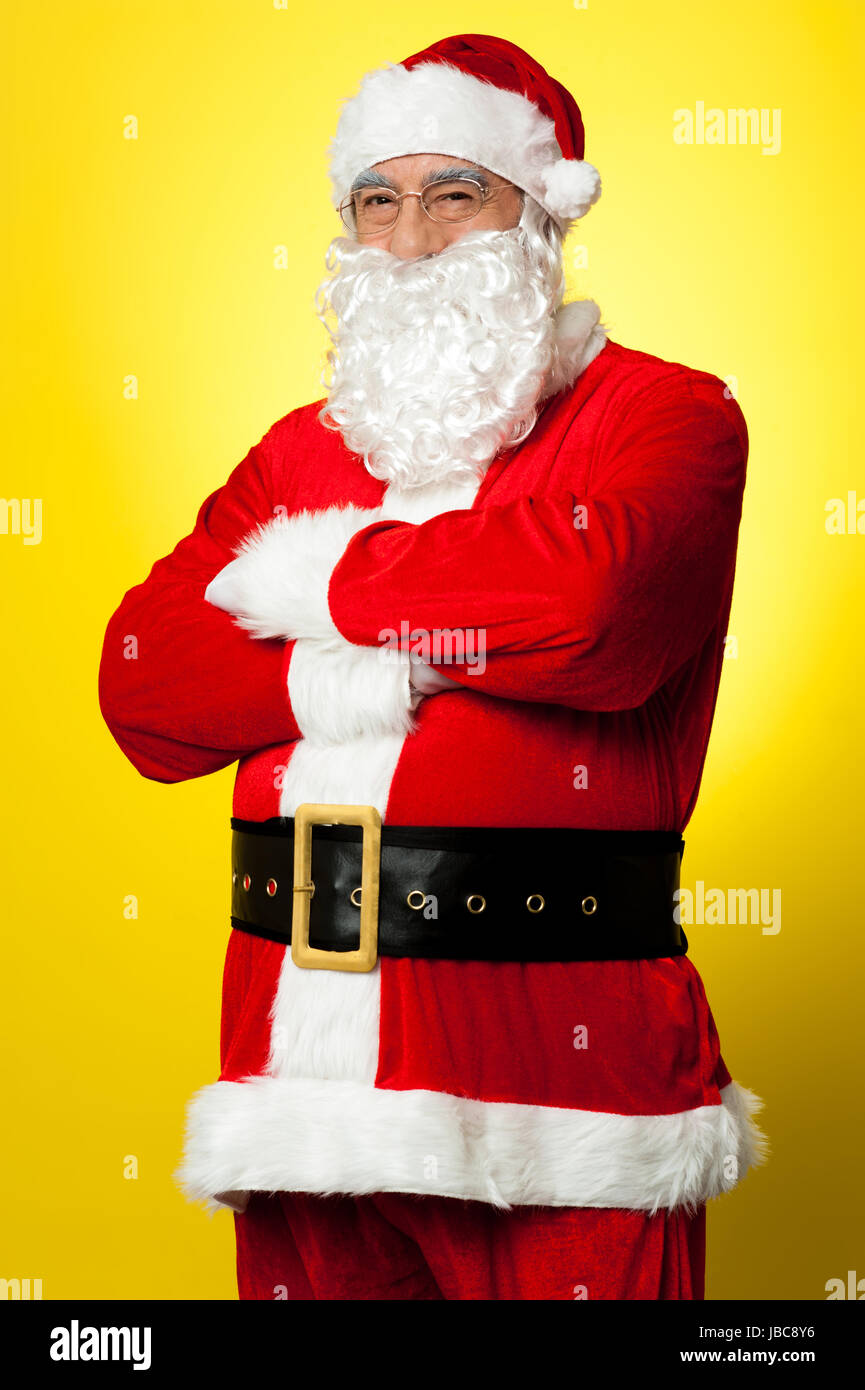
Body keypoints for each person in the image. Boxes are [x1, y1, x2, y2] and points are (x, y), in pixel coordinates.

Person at [98, 32, 768, 1301]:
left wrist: (314, 587)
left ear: (537, 216)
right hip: (296, 1087)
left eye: (455, 193)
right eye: (376, 200)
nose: (408, 240)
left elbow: (588, 607)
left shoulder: (669, 417)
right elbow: (142, 685)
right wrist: (362, 667)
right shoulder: (297, 450)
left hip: (561, 1092)